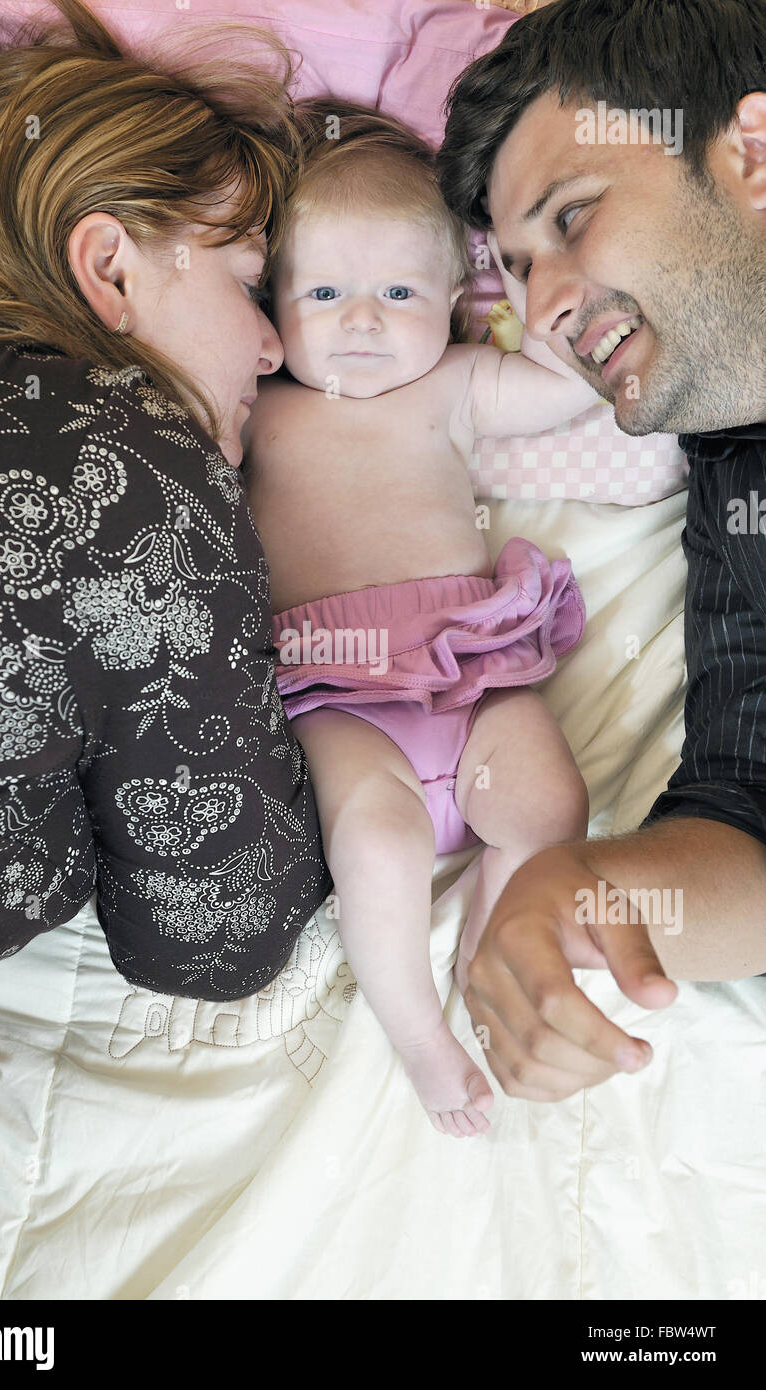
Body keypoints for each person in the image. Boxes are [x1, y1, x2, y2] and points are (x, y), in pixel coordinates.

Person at [0, 0, 333, 1118]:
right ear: (109, 267)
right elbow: (215, 937)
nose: (278, 346)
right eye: (248, 282)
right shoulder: (129, 469)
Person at [242, 101, 602, 1137]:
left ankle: (498, 926)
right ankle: (417, 1030)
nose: (360, 321)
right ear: (270, 308)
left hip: (471, 669)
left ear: (453, 299)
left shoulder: (450, 384)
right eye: (323, 292)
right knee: (376, 845)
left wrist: (539, 314)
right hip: (341, 689)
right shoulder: (260, 405)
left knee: (548, 804)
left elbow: (556, 391)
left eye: (397, 291)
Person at [435, 0, 766, 1105]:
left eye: (570, 218)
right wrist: (577, 889)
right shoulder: (732, 480)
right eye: (516, 270)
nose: (543, 313)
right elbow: (742, 822)